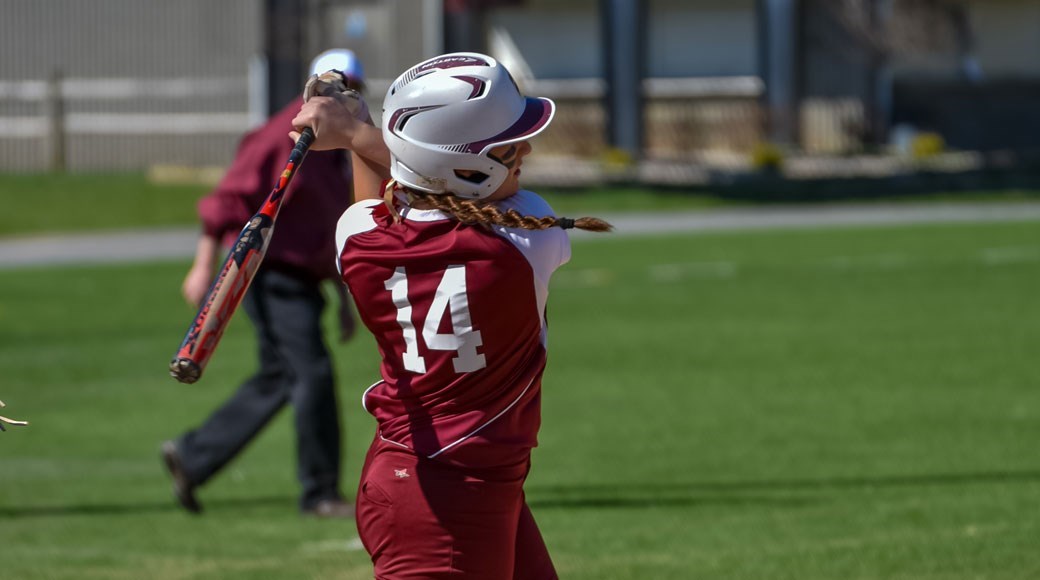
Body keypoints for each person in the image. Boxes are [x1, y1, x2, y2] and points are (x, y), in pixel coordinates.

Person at [291, 52, 611, 577]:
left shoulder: (357, 240)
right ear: (466, 167)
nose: (525, 150)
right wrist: (357, 131)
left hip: (437, 478)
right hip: (442, 498)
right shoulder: (526, 236)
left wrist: (354, 131)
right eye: (506, 148)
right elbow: (405, 182)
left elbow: (386, 199)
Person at [161, 49, 366, 518]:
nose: (345, 95)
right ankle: (320, 493)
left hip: (306, 281)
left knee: (281, 377)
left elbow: (332, 225)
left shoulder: (339, 144)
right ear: (314, 88)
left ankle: (192, 458)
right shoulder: (281, 135)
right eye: (335, 86)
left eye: (352, 87)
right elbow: (227, 200)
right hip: (269, 275)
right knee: (311, 374)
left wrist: (343, 298)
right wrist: (203, 265)